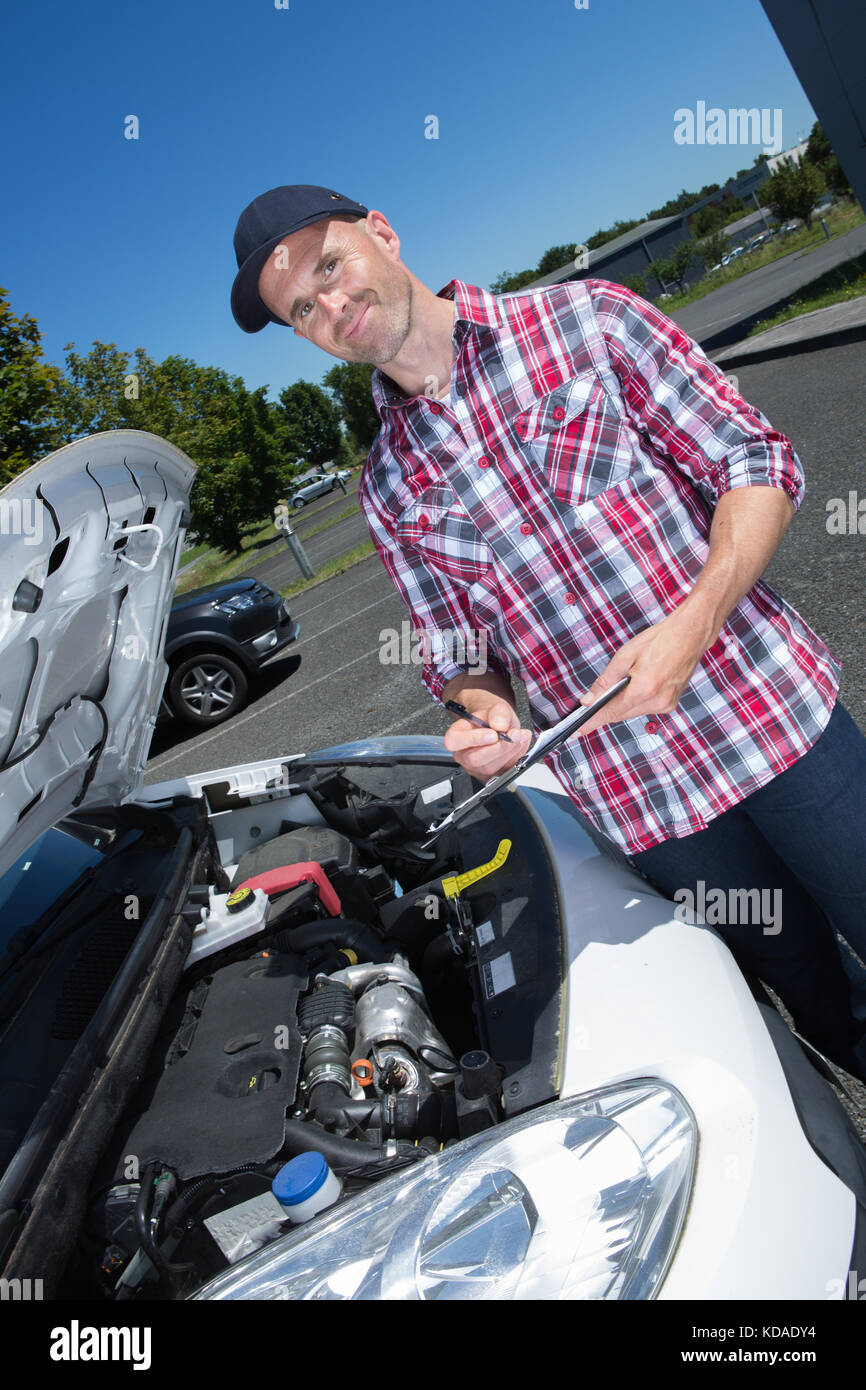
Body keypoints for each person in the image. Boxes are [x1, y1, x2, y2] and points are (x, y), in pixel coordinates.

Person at [231, 183, 866, 1080]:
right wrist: (483, 712)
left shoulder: (586, 322)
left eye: (330, 265)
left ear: (383, 231)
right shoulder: (385, 485)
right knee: (821, 1002)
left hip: (769, 712)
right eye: (301, 307)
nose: (331, 306)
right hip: (651, 803)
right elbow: (456, 648)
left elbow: (753, 457)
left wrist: (696, 621)